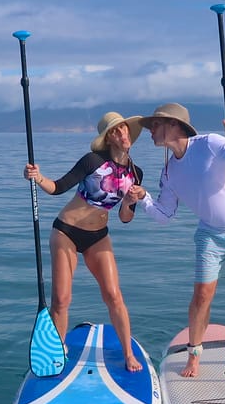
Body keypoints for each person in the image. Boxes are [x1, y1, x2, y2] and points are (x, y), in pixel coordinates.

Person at [123, 103, 225, 378]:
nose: (150, 131)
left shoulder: (210, 144)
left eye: (155, 125)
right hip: (210, 233)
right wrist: (144, 198)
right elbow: (165, 215)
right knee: (201, 295)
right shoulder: (169, 171)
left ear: (174, 125)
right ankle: (194, 355)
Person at [23, 111, 144, 372]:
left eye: (123, 128)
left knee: (114, 295)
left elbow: (125, 218)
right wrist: (37, 177)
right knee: (61, 299)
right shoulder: (93, 161)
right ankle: (57, 350)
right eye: (114, 131)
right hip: (66, 231)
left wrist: (128, 202)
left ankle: (128, 354)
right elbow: (58, 187)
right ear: (108, 138)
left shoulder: (135, 174)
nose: (121, 133)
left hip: (98, 237)